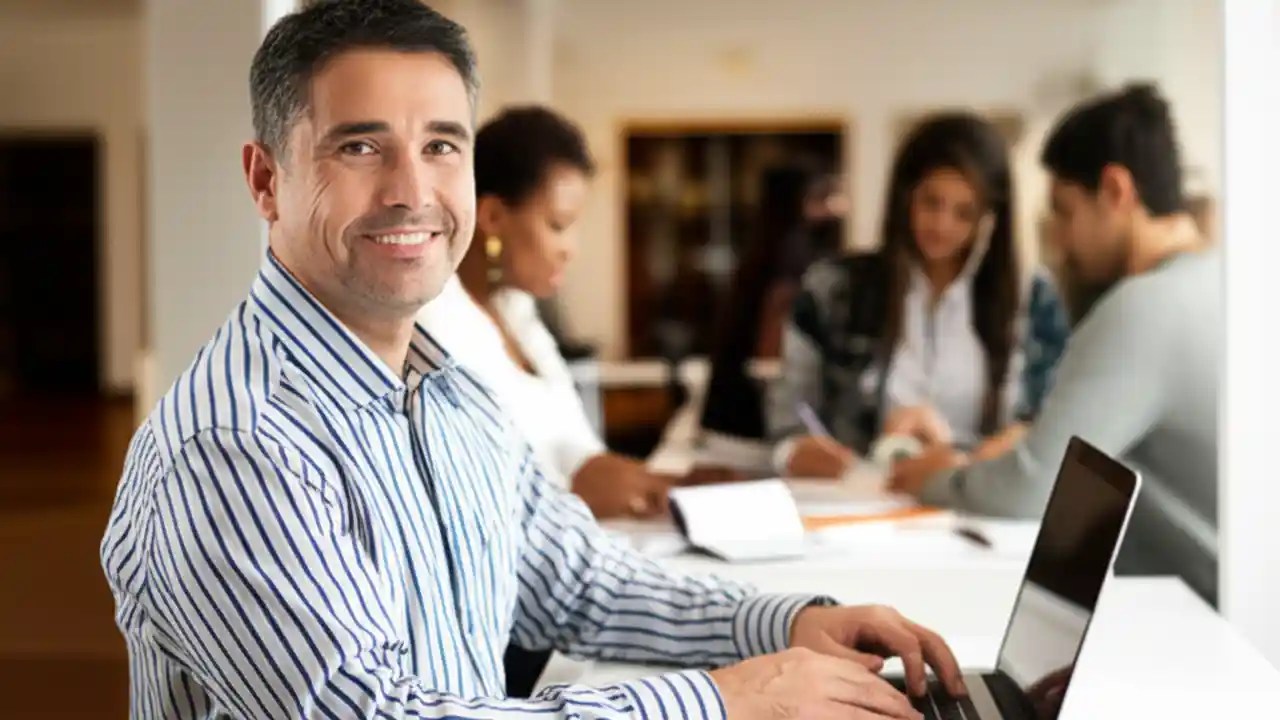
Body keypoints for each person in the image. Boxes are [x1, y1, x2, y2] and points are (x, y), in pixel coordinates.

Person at [99, 2, 966, 718]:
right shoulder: (234, 443)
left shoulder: (452, 394)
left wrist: (790, 625)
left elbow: (581, 584)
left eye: (442, 145)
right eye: (359, 147)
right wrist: (722, 703)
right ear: (264, 180)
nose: (413, 189)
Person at [890, 85, 1221, 604]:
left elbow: (1033, 489)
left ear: (1115, 190)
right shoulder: (1221, 284)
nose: (1062, 242)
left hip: (1200, 618)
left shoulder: (1145, 307)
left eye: (1065, 213)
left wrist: (934, 476)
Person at [417, 106, 709, 521]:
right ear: (493, 216)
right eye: (558, 225)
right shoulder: (434, 321)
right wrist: (577, 488)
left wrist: (657, 480)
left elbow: (582, 455)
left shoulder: (517, 312)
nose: (571, 248)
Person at [768, 113, 1070, 479]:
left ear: (991, 214)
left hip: (976, 505)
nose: (943, 225)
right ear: (904, 195)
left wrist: (962, 459)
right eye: (931, 202)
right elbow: (788, 413)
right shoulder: (833, 288)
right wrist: (794, 450)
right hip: (857, 501)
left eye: (965, 212)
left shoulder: (1034, 299)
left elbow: (1051, 424)